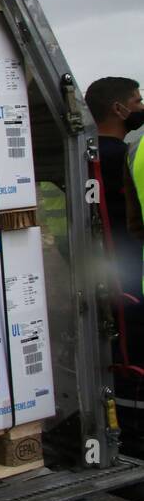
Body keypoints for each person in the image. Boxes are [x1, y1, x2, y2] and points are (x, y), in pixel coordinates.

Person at [88, 76, 144, 452]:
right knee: (133, 353)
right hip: (129, 270)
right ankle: (134, 436)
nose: (140, 107)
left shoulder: (92, 154)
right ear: (118, 109)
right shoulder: (116, 157)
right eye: (136, 101)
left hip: (114, 268)